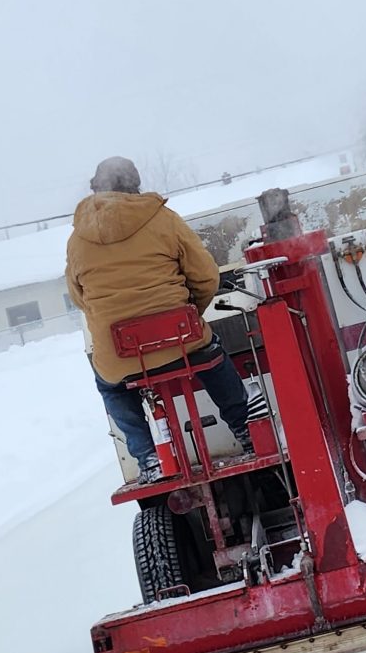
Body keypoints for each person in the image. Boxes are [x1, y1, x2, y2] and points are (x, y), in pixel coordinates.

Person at [65, 156, 251, 481]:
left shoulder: (77, 239)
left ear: (95, 189)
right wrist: (193, 311)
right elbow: (206, 275)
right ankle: (245, 426)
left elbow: (79, 296)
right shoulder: (162, 219)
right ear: (135, 185)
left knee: (109, 385)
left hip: (120, 354)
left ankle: (148, 456)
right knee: (212, 353)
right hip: (181, 340)